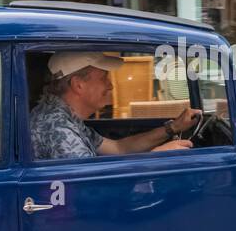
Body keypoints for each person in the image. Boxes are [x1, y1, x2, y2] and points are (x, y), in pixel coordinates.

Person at [30, 52, 200, 160]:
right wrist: (157, 157)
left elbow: (119, 148)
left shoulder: (66, 117)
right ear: (78, 84)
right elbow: (94, 184)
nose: (110, 86)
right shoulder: (56, 128)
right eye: (104, 77)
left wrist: (173, 127)